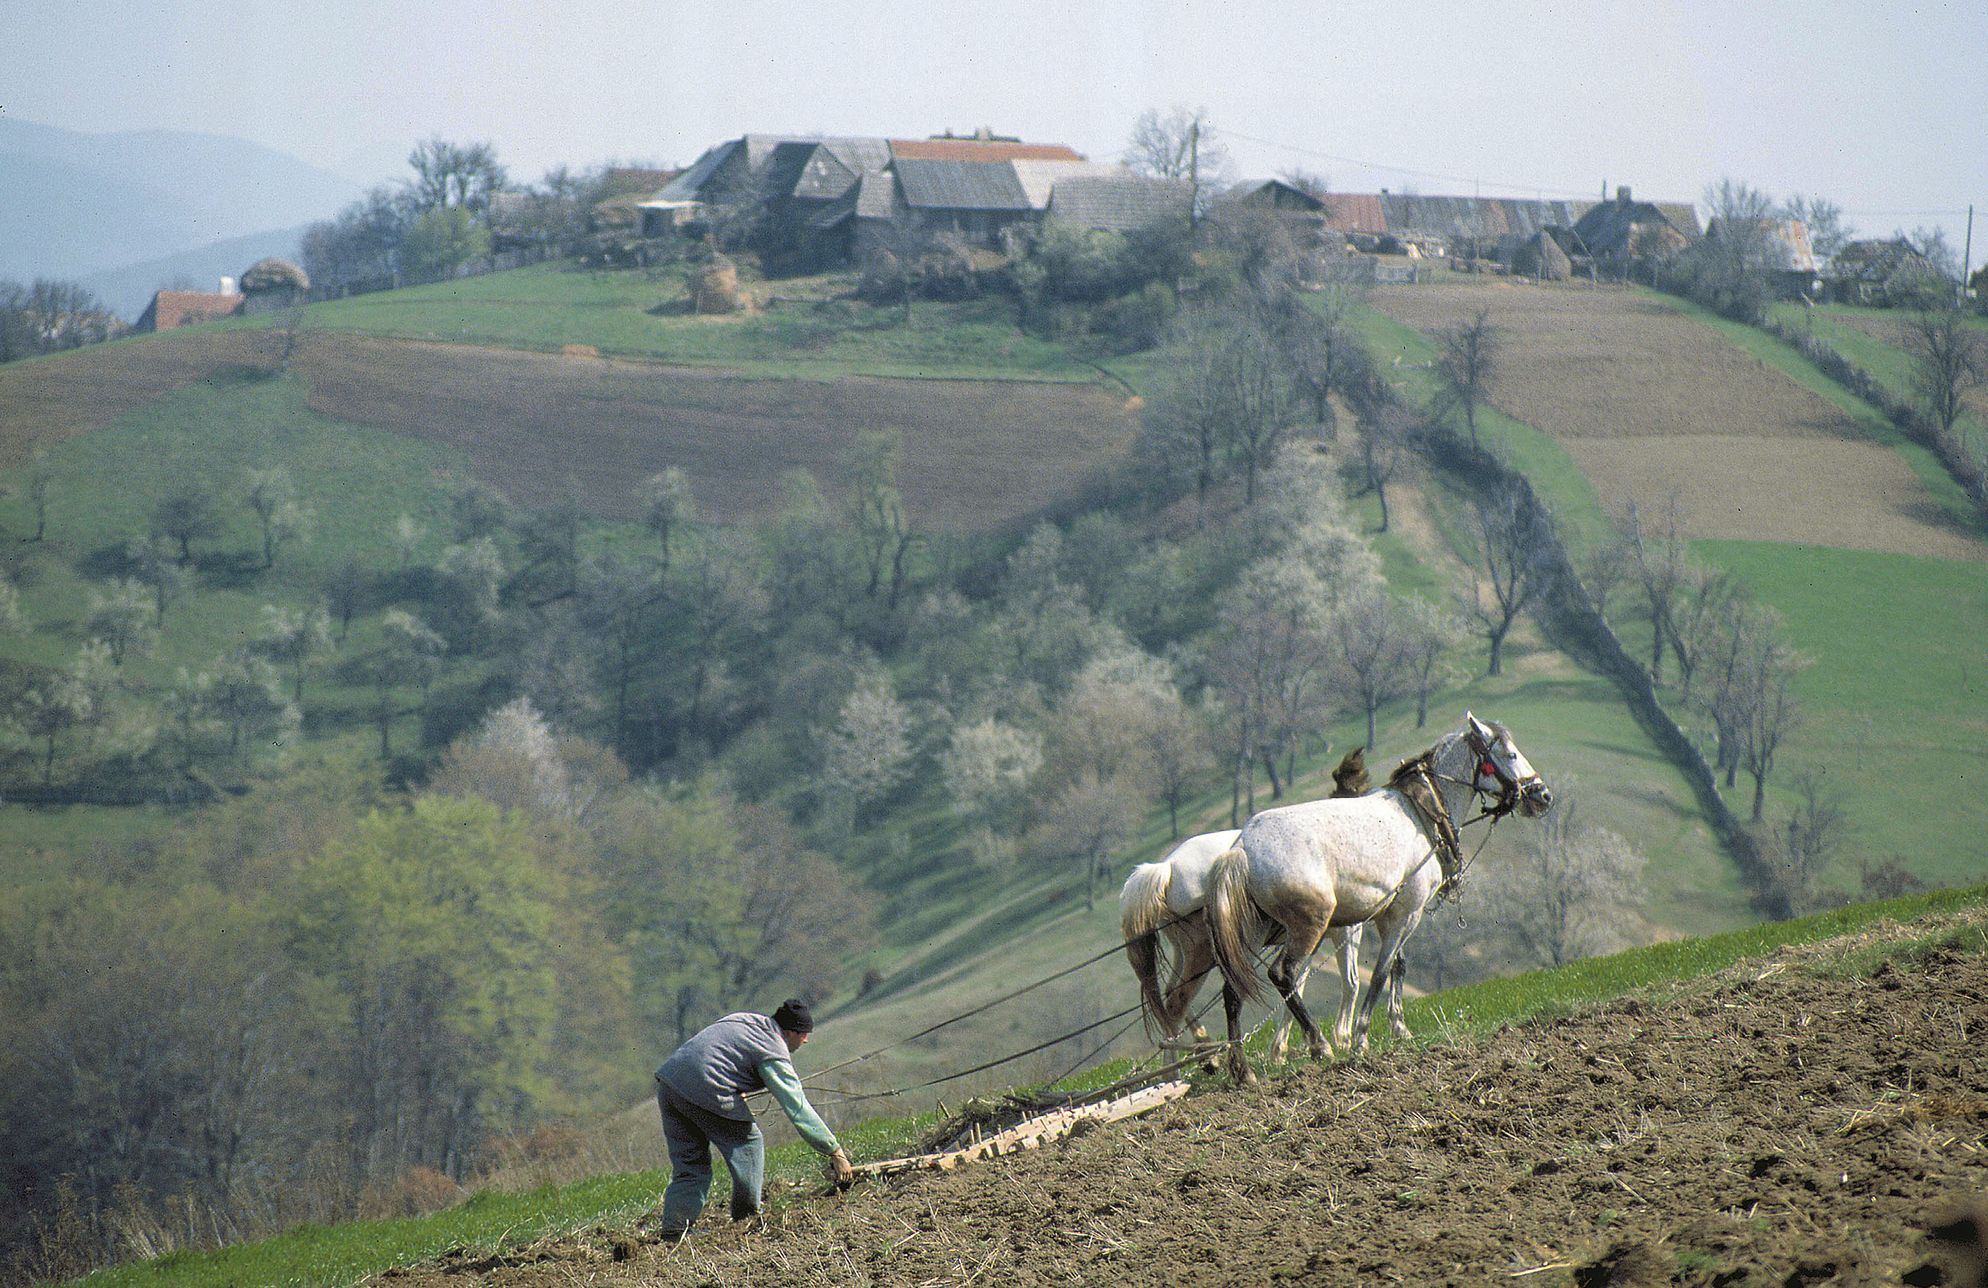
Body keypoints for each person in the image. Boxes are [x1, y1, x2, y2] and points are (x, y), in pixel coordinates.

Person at [653, 998, 854, 1239]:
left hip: (669, 1083)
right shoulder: (773, 1050)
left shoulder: (747, 1019)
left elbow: (721, 1051)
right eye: (803, 1034)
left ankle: (675, 1231)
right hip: (705, 1088)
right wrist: (835, 1151)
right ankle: (747, 1218)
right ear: (790, 1033)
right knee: (749, 1143)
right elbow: (798, 1109)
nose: (806, 1040)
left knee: (691, 1165)